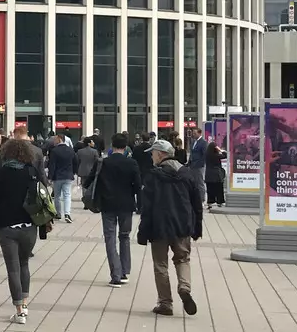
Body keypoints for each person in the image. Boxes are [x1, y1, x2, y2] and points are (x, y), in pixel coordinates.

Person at [0, 138, 47, 324]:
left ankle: (19, 310)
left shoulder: (0, 173)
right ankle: (25, 304)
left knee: (12, 268)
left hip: (6, 226)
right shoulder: (31, 172)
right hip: (29, 225)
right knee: (24, 264)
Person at [138, 139, 203, 316]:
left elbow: (147, 208)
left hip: (159, 226)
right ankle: (184, 287)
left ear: (160, 154)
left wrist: (142, 232)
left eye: (153, 153)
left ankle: (165, 303)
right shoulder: (187, 173)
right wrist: (197, 227)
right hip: (182, 225)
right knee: (183, 259)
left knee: (160, 265)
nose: (152, 156)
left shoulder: (153, 176)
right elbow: (197, 203)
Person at [86, 133, 142, 287]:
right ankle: (124, 272)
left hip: (107, 205)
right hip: (126, 205)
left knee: (110, 238)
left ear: (112, 146)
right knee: (124, 237)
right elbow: (138, 186)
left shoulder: (103, 163)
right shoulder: (132, 163)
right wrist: (140, 205)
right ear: (125, 148)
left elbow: (89, 181)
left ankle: (115, 274)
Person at [46, 132, 76, 223]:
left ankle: (58, 213)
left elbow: (52, 165)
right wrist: (73, 172)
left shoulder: (54, 151)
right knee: (67, 195)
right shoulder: (70, 150)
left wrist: (50, 177)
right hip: (68, 176)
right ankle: (67, 213)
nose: (54, 141)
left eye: (55, 139)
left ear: (59, 139)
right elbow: (76, 161)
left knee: (57, 196)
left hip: (57, 176)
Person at [187, 127, 208, 203]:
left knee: (200, 182)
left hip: (199, 165)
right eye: (193, 133)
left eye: (195, 133)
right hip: (192, 165)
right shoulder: (193, 142)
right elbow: (192, 153)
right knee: (193, 182)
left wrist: (201, 164)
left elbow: (204, 154)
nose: (193, 134)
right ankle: (195, 198)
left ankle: (202, 199)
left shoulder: (203, 142)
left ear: (199, 133)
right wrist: (189, 162)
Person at [205, 140, 227, 210]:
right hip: (216, 174)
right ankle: (219, 201)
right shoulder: (216, 155)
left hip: (208, 174)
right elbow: (225, 155)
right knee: (219, 188)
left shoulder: (207, 155)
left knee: (210, 189)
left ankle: (210, 202)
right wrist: (220, 149)